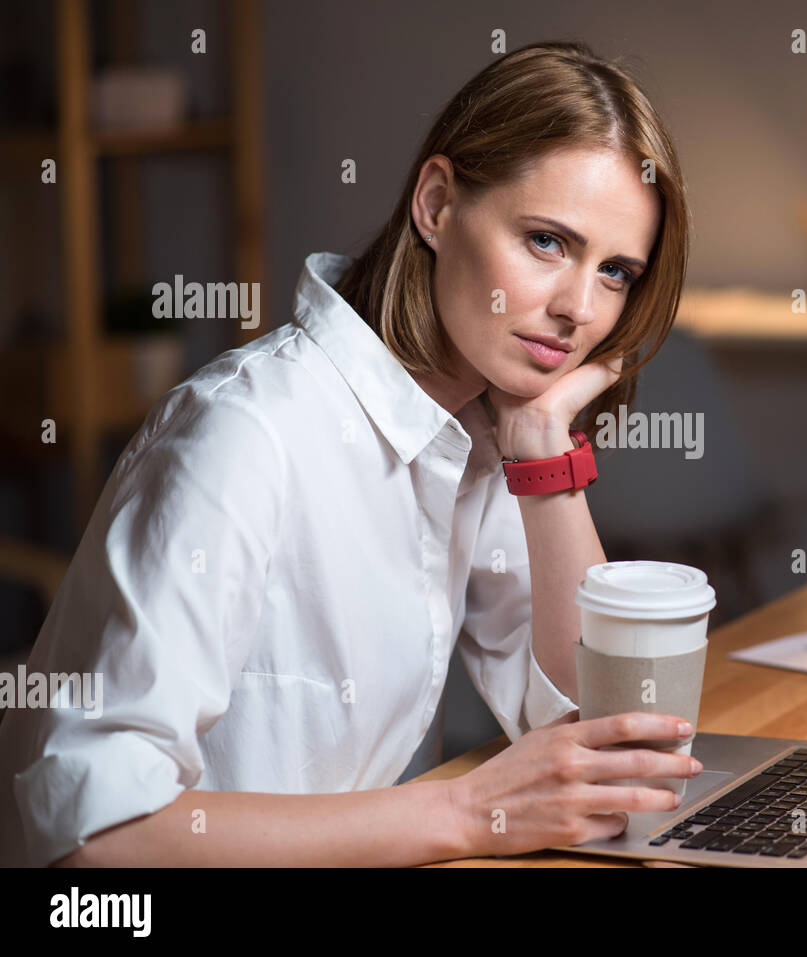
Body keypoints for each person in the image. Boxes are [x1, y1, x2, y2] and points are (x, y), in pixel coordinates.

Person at [0, 39, 702, 867]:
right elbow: (93, 837)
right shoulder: (244, 434)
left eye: (617, 271)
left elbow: (595, 740)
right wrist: (468, 811)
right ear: (437, 205)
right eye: (547, 242)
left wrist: (548, 460)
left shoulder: (481, 424)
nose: (579, 308)